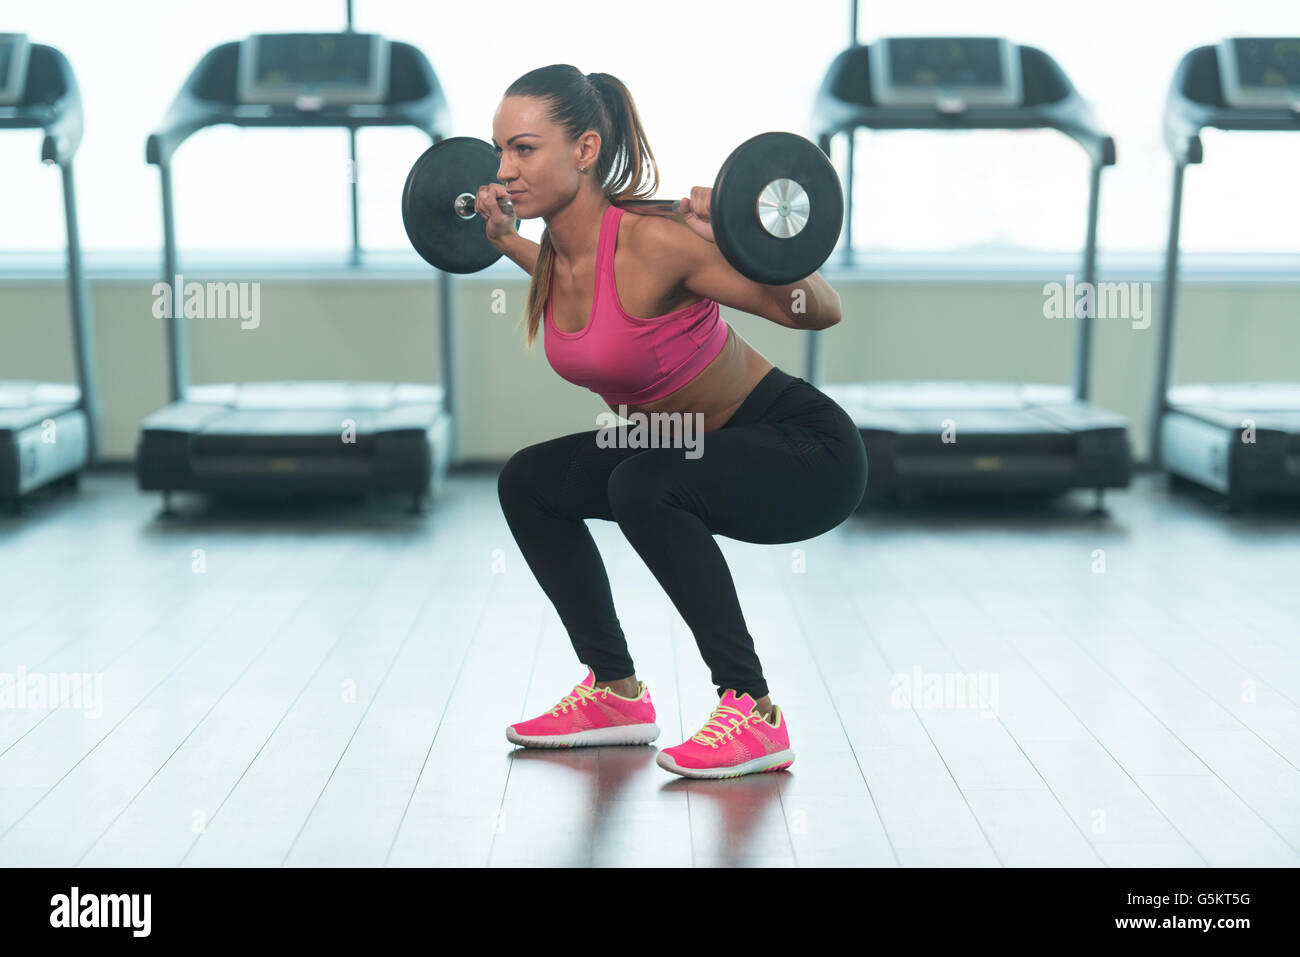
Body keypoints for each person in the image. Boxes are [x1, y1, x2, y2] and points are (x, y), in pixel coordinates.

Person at [480, 64, 867, 779]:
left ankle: (753, 709)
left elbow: (819, 309)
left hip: (802, 448)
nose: (503, 171)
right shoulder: (560, 259)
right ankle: (615, 692)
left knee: (642, 484)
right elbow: (586, 295)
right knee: (529, 481)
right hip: (682, 444)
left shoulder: (655, 242)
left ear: (586, 150)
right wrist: (504, 238)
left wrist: (747, 235)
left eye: (524, 150)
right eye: (499, 149)